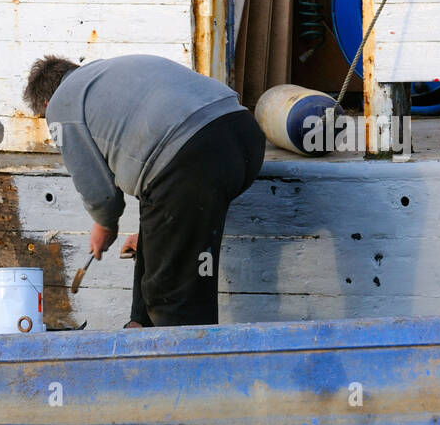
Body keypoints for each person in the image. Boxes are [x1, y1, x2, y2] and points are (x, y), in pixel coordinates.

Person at [23, 54, 265, 328]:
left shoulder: (62, 103)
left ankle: (184, 364)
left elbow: (98, 189)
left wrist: (105, 225)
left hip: (189, 159)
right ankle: (138, 328)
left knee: (173, 294)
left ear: (46, 103)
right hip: (243, 137)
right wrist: (154, 232)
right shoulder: (110, 72)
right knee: (168, 257)